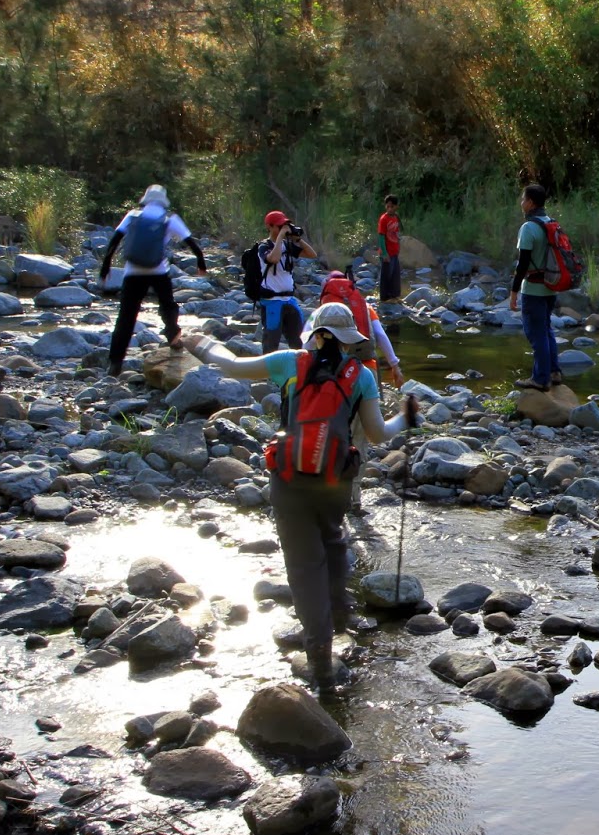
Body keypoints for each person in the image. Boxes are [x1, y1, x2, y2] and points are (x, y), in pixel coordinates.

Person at [179, 303, 418, 693]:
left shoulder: (290, 362)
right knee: (333, 535)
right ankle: (341, 611)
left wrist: (198, 342)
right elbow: (377, 434)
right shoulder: (361, 377)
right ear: (348, 341)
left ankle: (321, 660)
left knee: (304, 566)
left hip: (289, 479)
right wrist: (406, 417)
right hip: (336, 480)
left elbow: (234, 365)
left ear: (314, 333)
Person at [99, 185, 207, 377]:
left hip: (133, 272)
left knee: (126, 316)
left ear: (146, 199)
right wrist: (201, 263)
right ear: (163, 201)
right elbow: (191, 242)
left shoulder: (133, 215)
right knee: (168, 305)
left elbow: (115, 240)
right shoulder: (169, 219)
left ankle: (115, 363)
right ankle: (173, 336)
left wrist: (105, 266)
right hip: (158, 271)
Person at [507, 184, 562, 391]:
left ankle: (540, 378)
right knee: (546, 329)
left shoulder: (528, 227)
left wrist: (514, 292)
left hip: (533, 289)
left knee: (536, 333)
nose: (521, 203)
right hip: (551, 287)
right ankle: (554, 372)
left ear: (530, 203)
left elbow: (522, 264)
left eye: (523, 199)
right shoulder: (551, 222)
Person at [319, 270, 405, 387]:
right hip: (367, 369)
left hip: (336, 370)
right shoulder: (364, 306)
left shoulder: (323, 311)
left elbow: (309, 342)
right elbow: (380, 335)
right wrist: (395, 366)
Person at [256, 210, 316, 352]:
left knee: (299, 343)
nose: (283, 229)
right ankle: (269, 373)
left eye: (284, 226)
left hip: (289, 299)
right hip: (272, 302)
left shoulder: (287, 246)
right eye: (279, 226)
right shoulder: (263, 246)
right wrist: (281, 236)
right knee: (271, 343)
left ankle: (297, 371)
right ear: (269, 227)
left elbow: (312, 254)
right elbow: (274, 259)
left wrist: (298, 239)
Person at [377, 194, 402, 304]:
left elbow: (396, 233)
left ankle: (394, 295)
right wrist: (384, 253)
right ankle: (385, 298)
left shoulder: (396, 217)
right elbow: (381, 237)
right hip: (386, 252)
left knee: (395, 275)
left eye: (392, 207)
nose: (389, 209)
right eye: (387, 206)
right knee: (386, 276)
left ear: (396, 207)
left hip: (395, 250)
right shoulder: (384, 219)